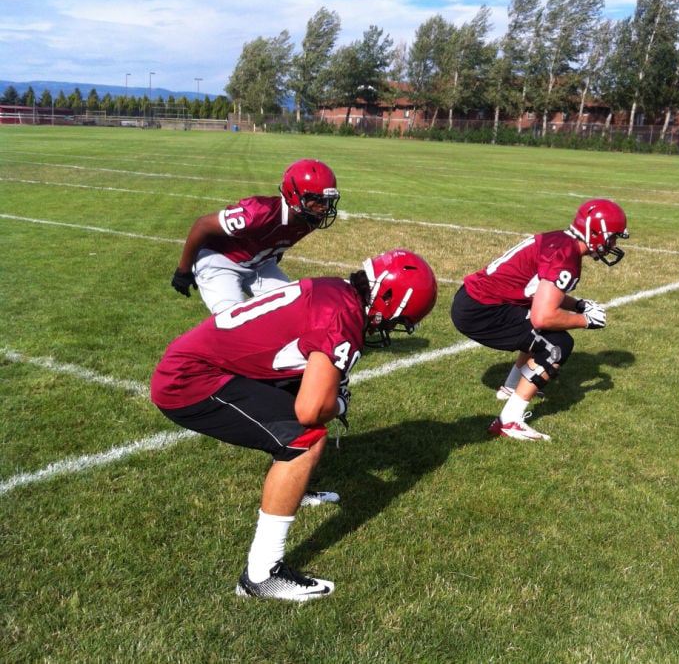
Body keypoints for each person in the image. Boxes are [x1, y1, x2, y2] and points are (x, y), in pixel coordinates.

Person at [151, 249, 438, 601]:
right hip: (190, 380)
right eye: (397, 320)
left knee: (297, 405)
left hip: (202, 361)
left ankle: (294, 490)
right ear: (388, 300)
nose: (391, 328)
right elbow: (310, 410)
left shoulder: (336, 288)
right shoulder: (343, 316)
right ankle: (261, 575)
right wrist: (339, 402)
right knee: (305, 438)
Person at [450, 199, 629, 441]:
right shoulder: (566, 256)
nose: (613, 245)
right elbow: (543, 317)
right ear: (595, 233)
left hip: (474, 300)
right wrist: (586, 320)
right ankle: (509, 421)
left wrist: (578, 304)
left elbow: (541, 290)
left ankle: (511, 388)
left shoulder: (559, 240)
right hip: (482, 309)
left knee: (537, 333)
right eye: (612, 238)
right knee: (557, 345)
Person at [171, 159, 341, 314]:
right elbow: (203, 225)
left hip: (260, 264)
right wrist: (183, 270)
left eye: (328, 201)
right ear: (294, 195)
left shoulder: (310, 219)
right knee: (233, 320)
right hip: (221, 261)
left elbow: (279, 240)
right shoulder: (258, 213)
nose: (324, 208)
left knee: (294, 310)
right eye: (317, 200)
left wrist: (272, 256)